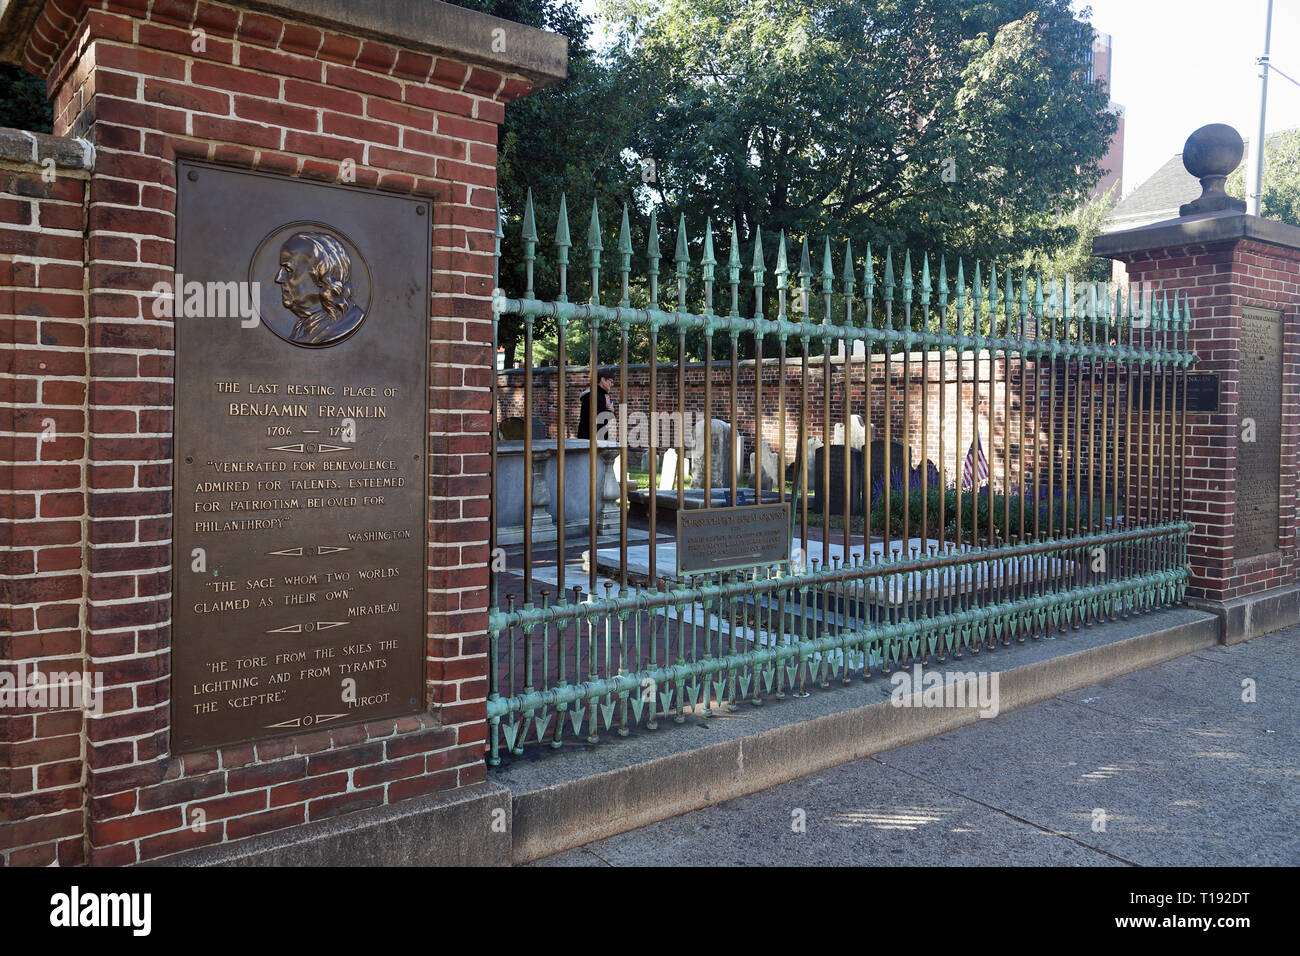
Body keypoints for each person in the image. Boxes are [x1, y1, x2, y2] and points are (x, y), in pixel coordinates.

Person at [275, 231, 366, 346]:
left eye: (288, 270)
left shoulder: (347, 323)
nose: (278, 278)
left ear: (323, 275)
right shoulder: (302, 328)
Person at [576, 372, 616, 440]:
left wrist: (611, 411)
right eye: (611, 381)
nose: (612, 384)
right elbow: (592, 417)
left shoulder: (604, 395)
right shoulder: (591, 395)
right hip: (589, 438)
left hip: (600, 436)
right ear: (603, 380)